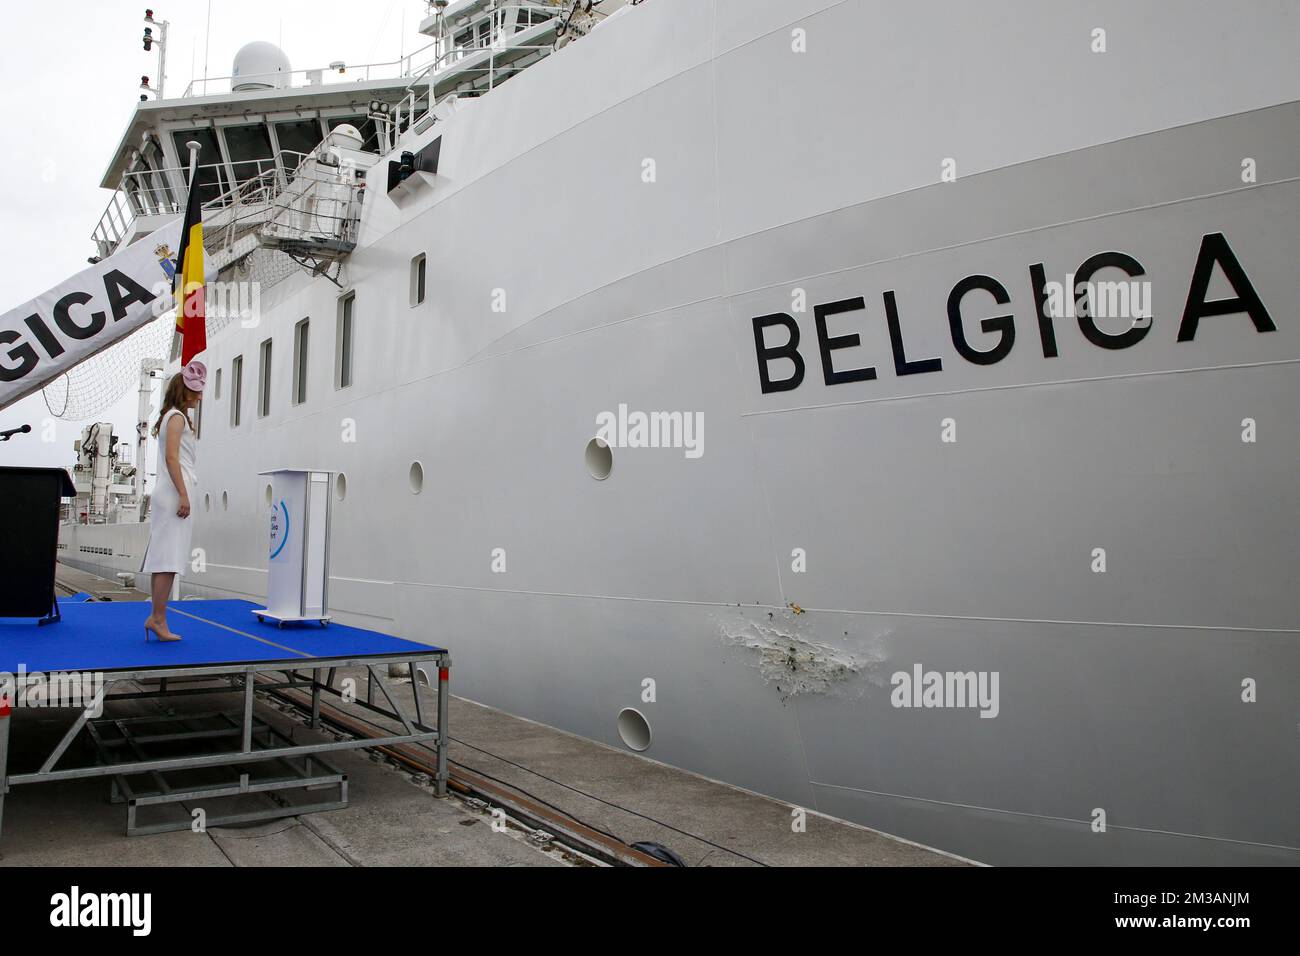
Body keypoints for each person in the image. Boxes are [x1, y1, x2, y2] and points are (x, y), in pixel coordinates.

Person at [141, 360, 205, 642]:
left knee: (163, 558)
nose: (200, 397)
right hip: (174, 493)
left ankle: (156, 616)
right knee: (168, 560)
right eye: (196, 391)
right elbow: (171, 458)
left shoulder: (169, 416)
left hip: (168, 491)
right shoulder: (177, 417)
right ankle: (158, 619)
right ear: (184, 392)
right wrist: (183, 493)